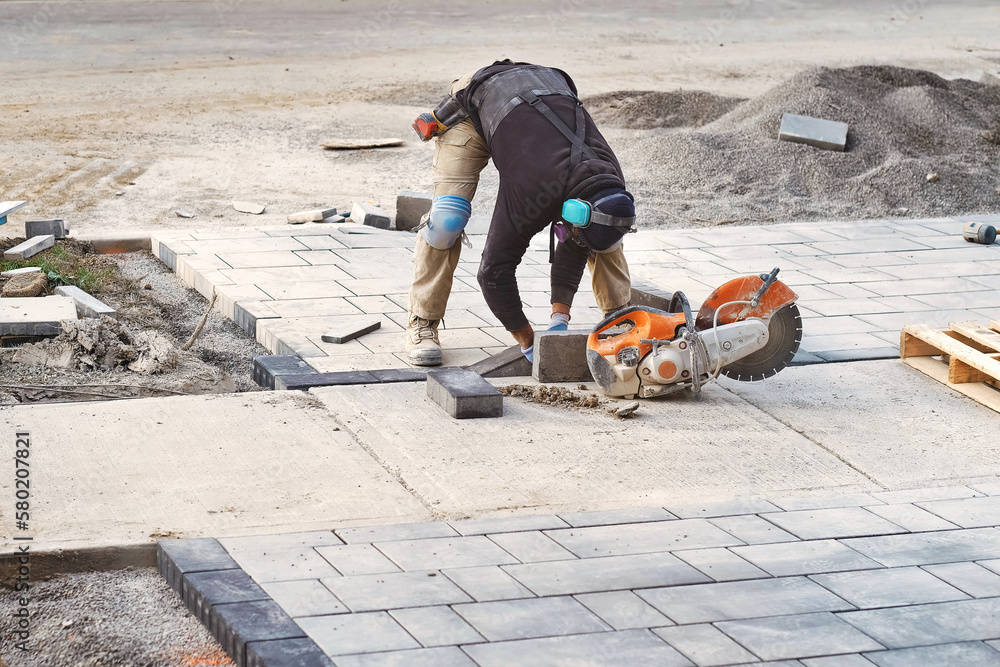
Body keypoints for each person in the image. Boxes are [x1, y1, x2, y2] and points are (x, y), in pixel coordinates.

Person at [406, 60, 636, 366]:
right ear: (572, 214)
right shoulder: (531, 188)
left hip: (541, 98)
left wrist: (559, 320)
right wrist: (531, 343)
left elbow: (575, 239)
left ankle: (619, 320)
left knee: (606, 230)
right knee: (448, 219)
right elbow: (494, 273)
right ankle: (422, 320)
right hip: (471, 106)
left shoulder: (610, 180)